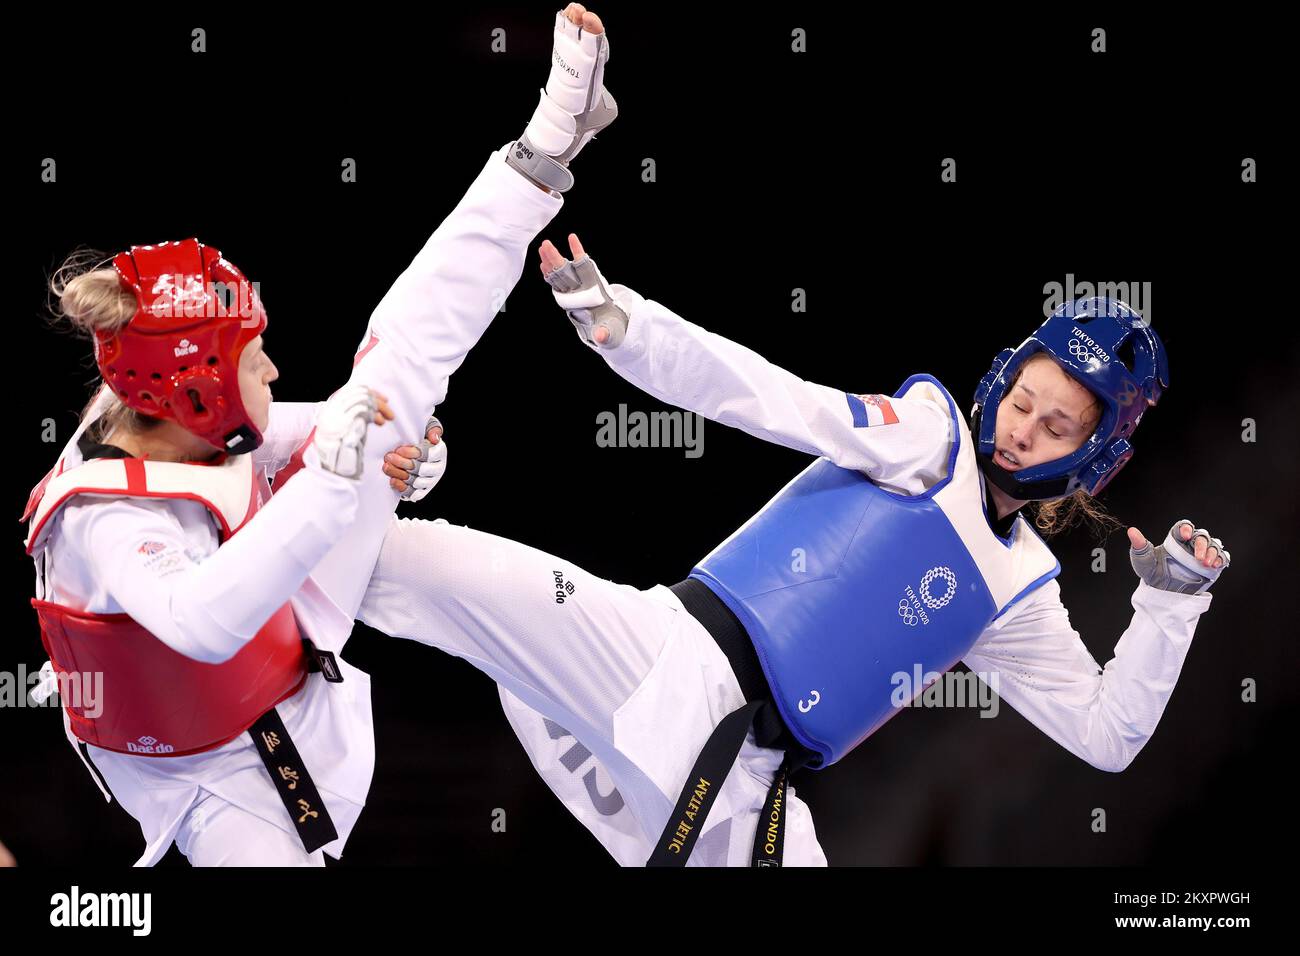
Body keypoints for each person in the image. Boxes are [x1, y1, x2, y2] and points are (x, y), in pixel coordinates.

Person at [367, 234, 1230, 866]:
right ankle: (243, 529)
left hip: (741, 789)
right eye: (1024, 401)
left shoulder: (1019, 593)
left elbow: (1108, 734)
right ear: (1004, 377)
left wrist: (1171, 606)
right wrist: (628, 329)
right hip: (646, 656)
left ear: (1093, 459)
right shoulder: (927, 439)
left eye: (1055, 427)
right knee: (411, 561)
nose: (1022, 430)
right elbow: (772, 398)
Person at [22, 5, 616, 866]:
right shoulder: (107, 517)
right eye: (253, 360)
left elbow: (268, 445)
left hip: (280, 667)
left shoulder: (155, 413)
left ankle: (545, 147)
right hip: (207, 776)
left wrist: (369, 446)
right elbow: (199, 622)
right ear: (195, 390)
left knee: (398, 368)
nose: (272, 373)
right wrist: (332, 481)